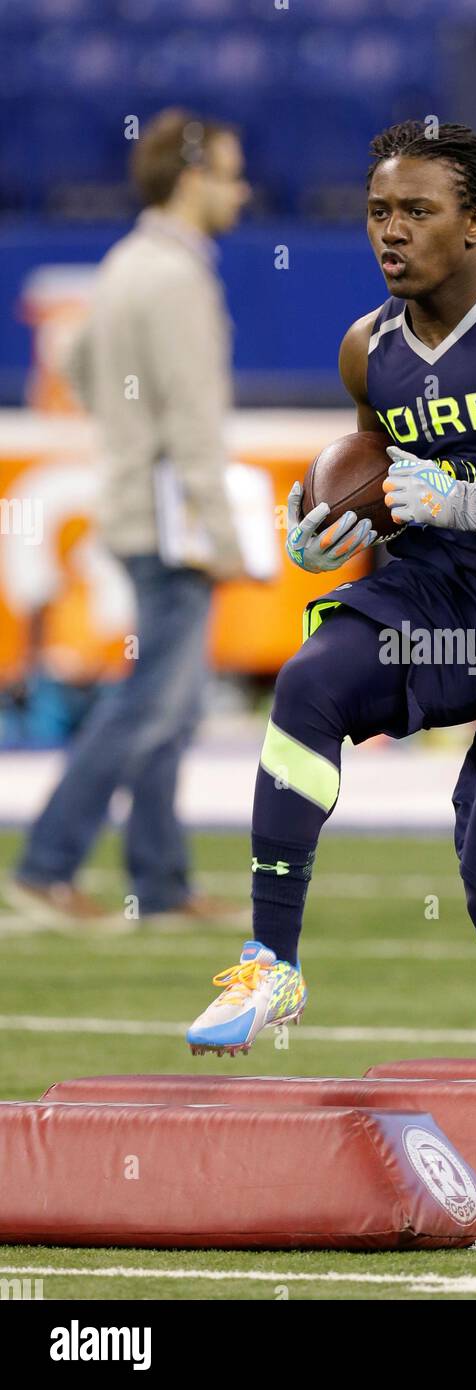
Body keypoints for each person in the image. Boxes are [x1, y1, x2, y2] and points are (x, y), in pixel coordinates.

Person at [187, 122, 476, 1077]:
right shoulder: (371, 348)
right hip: (451, 595)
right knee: (309, 684)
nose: (389, 232)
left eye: (415, 212)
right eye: (377, 213)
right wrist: (339, 538)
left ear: (475, 224)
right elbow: (386, 482)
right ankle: (270, 960)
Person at [9, 108, 252, 926]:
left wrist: (122, 430)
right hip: (168, 516)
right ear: (193, 180)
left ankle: (160, 879)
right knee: (152, 703)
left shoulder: (123, 262)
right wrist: (223, 532)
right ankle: (47, 864)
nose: (243, 190)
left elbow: (75, 361)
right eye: (228, 172)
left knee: (169, 706)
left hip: (134, 500)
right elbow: (191, 421)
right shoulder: (176, 274)